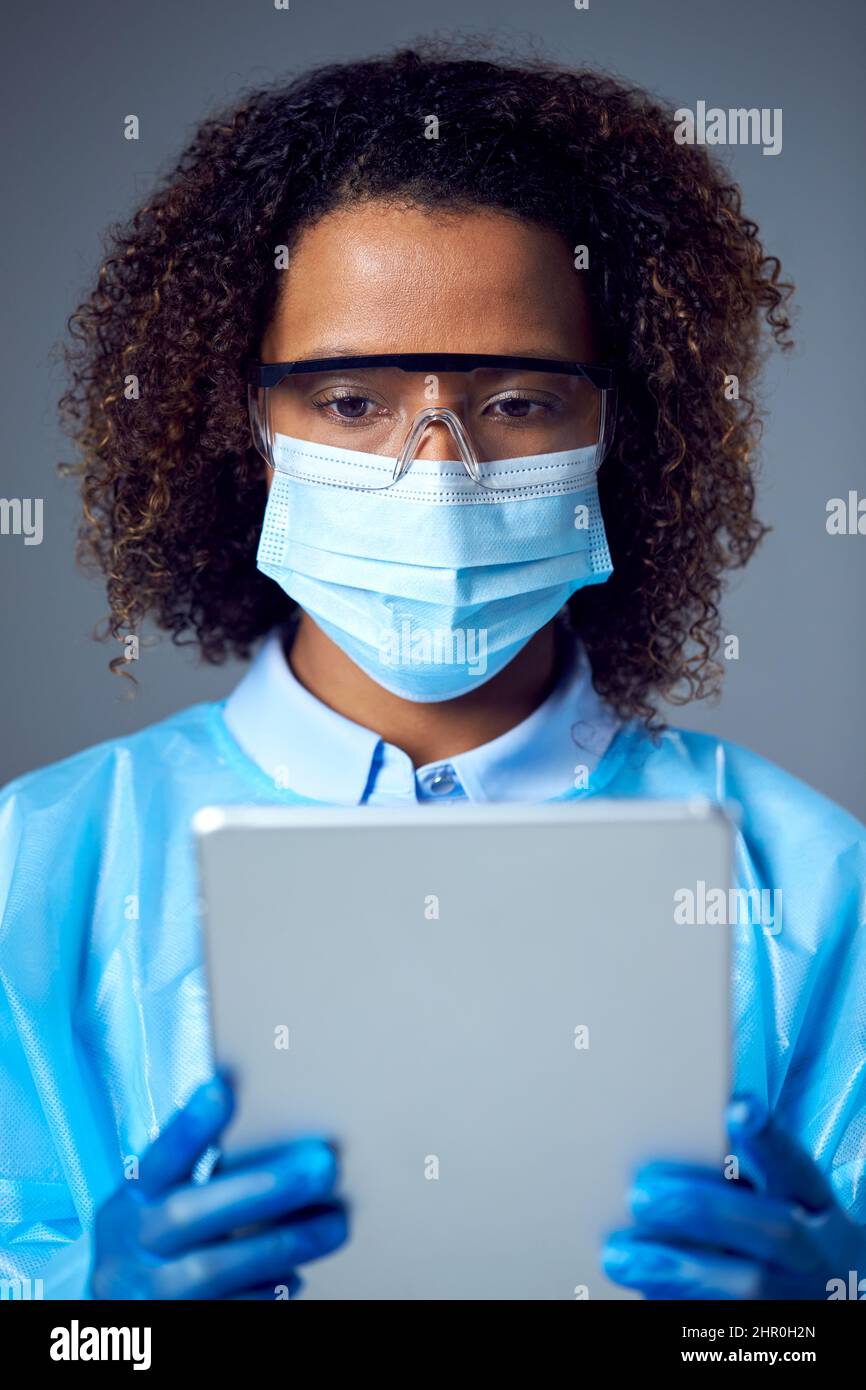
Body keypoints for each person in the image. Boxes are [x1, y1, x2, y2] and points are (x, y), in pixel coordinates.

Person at [1, 43, 863, 1302]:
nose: (436, 465)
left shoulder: (812, 885)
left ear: (622, 425)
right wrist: (97, 1326)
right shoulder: (38, 869)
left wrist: (813, 1332)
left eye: (515, 401)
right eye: (350, 400)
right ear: (239, 427)